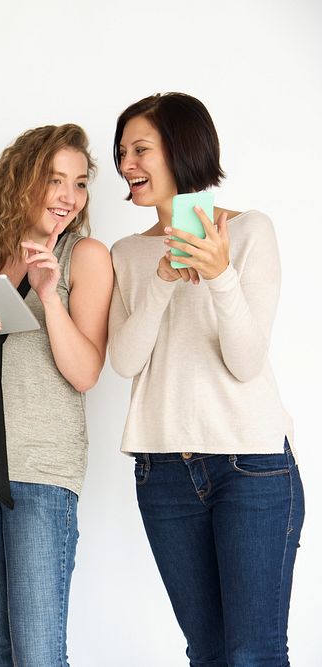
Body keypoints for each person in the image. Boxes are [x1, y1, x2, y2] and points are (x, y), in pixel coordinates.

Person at [109, 93, 304, 666]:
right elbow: (124, 360)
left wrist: (219, 276)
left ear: (183, 150)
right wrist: (165, 278)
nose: (126, 165)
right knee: (209, 653)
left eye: (140, 149)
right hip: (163, 469)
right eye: (122, 152)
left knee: (253, 655)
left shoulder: (249, 232)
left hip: (251, 467)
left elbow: (245, 361)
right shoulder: (126, 253)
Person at [0, 124, 112, 666]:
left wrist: (47, 297)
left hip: (41, 470)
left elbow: (85, 373)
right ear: (20, 181)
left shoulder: (85, 256)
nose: (68, 196)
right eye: (54, 180)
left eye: (79, 184)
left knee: (38, 654)